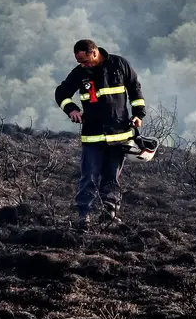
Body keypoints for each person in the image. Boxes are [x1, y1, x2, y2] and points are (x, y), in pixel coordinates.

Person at [54, 39, 146, 230]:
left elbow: (135, 88)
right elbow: (61, 93)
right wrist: (71, 109)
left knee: (112, 178)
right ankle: (83, 217)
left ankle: (109, 215)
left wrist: (138, 115)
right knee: (89, 176)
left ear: (94, 53)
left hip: (119, 135)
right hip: (92, 137)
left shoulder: (119, 65)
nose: (82, 65)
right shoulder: (79, 73)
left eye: (85, 60)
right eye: (79, 61)